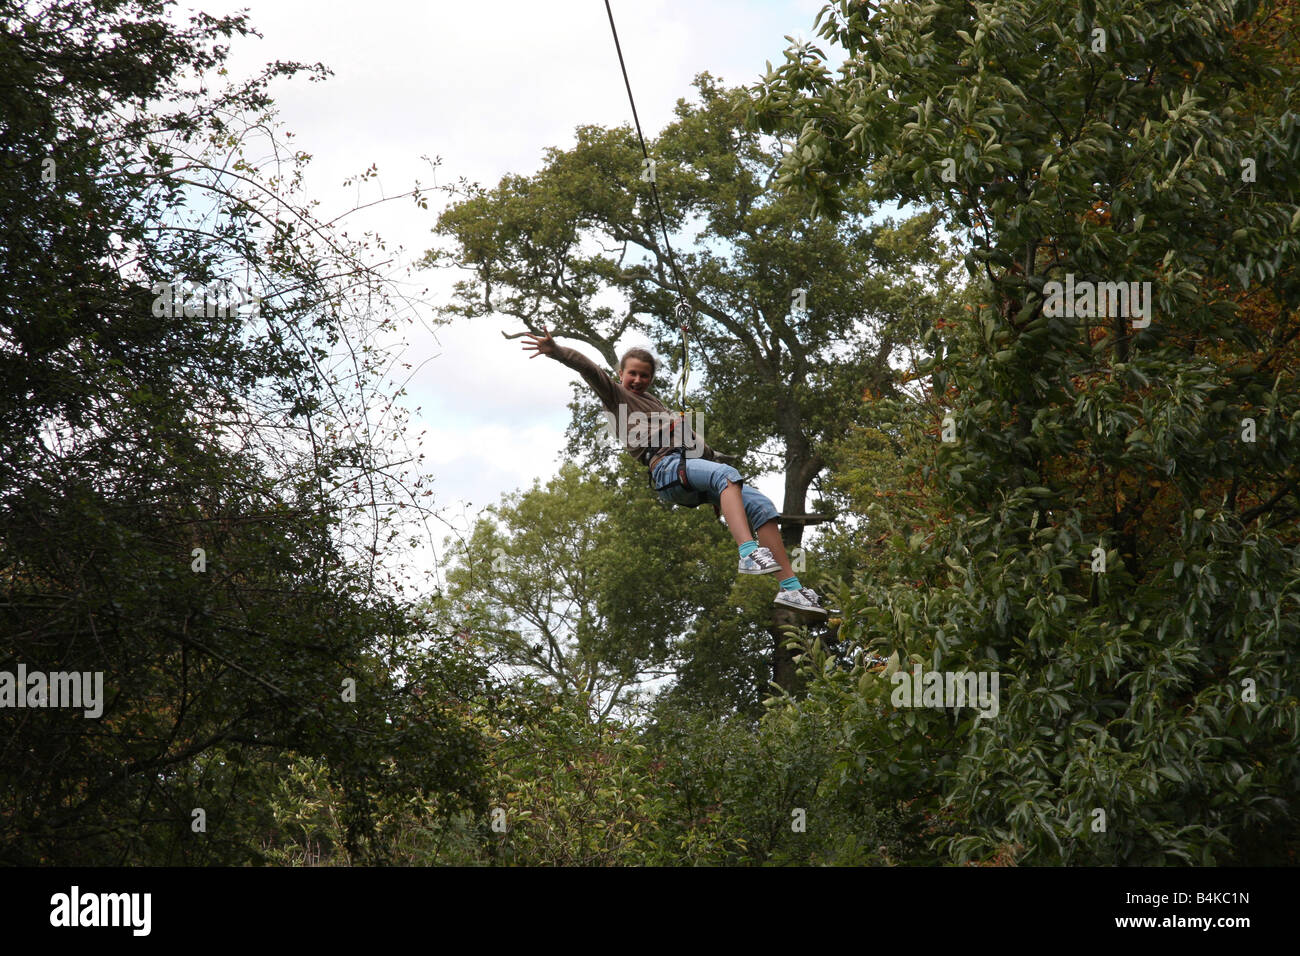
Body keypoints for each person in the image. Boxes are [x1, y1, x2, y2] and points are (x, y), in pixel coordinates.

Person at [522, 325, 827, 617]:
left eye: (644, 375)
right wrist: (558, 351)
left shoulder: (656, 404)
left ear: (651, 379)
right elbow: (589, 370)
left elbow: (700, 448)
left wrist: (702, 444)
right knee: (726, 476)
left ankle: (791, 589)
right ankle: (748, 552)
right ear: (620, 374)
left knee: (762, 506)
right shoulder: (616, 396)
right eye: (632, 374)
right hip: (666, 469)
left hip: (688, 467)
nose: (637, 380)